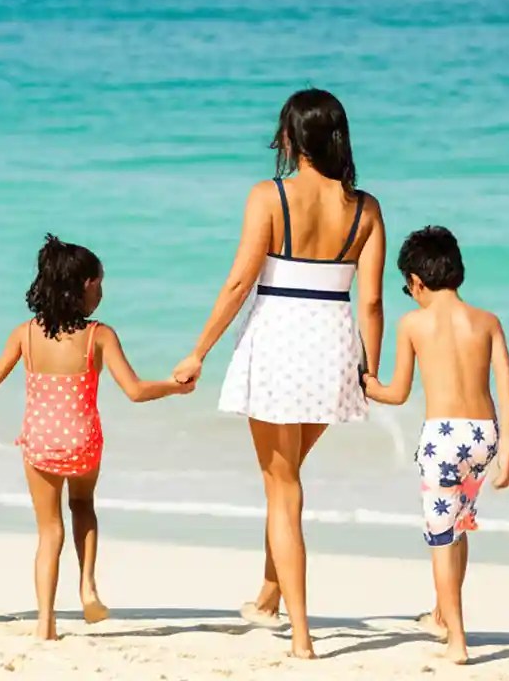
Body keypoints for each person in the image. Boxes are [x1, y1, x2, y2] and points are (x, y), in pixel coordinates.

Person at [172, 89, 386, 659]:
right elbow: (370, 303)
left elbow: (240, 282)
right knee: (287, 475)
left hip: (277, 343)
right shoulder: (366, 207)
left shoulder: (269, 195)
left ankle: (300, 634)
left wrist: (198, 351)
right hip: (332, 348)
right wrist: (372, 366)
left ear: (290, 137)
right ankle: (268, 593)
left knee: (282, 486)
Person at [0, 234, 193, 640]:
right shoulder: (99, 335)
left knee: (49, 530)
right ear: (86, 285)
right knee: (83, 505)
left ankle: (45, 623)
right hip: (83, 439)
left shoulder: (25, 334)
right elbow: (136, 391)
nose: (101, 292)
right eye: (100, 283)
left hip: (39, 441)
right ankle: (87, 586)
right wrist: (176, 386)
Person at [363, 225, 509, 665]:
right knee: (459, 525)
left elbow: (397, 393)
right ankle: (440, 614)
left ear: (416, 281)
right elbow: (507, 386)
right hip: (483, 436)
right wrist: (507, 450)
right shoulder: (487, 321)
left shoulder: (413, 323)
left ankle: (457, 640)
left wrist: (366, 385)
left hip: (442, 442)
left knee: (438, 537)